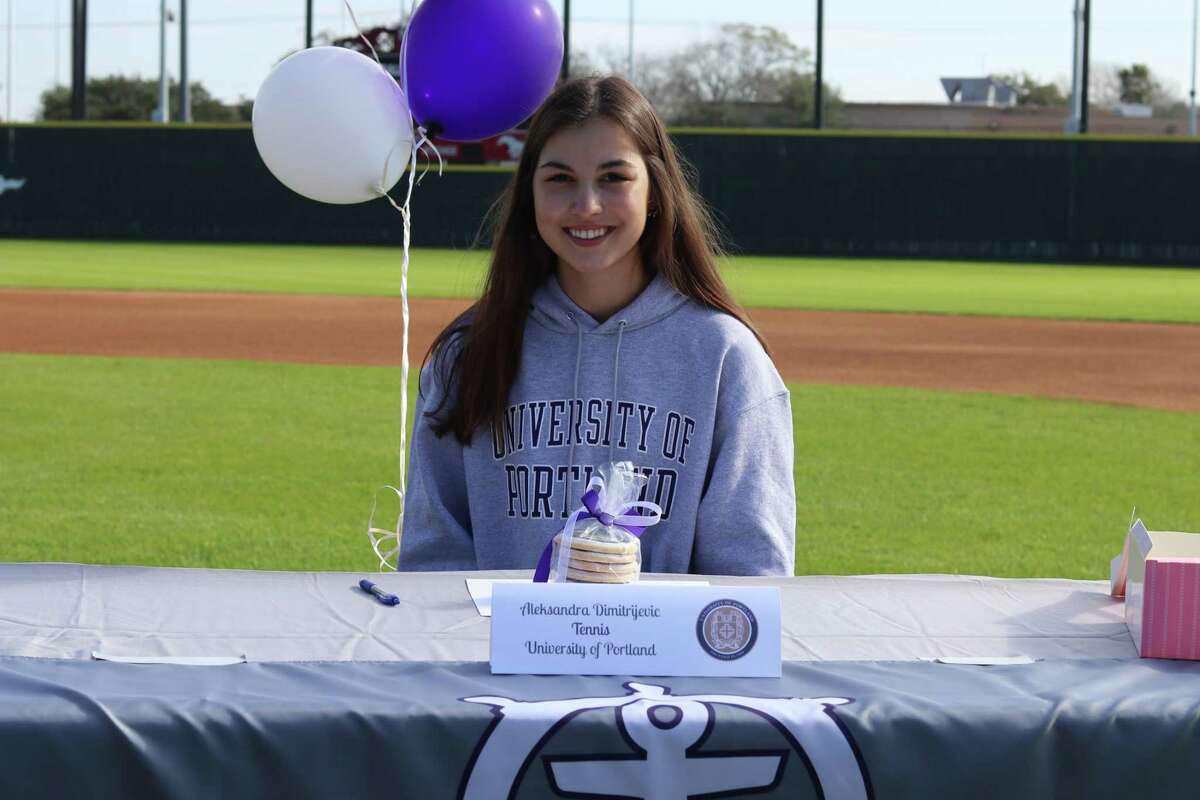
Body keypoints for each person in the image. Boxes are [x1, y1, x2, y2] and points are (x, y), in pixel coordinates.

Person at [398, 76, 794, 575]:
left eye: (613, 178)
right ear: (530, 196)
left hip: (664, 655)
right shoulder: (470, 352)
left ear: (654, 190)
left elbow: (750, 575)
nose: (586, 205)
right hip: (498, 653)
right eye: (560, 179)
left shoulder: (725, 358)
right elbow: (433, 557)